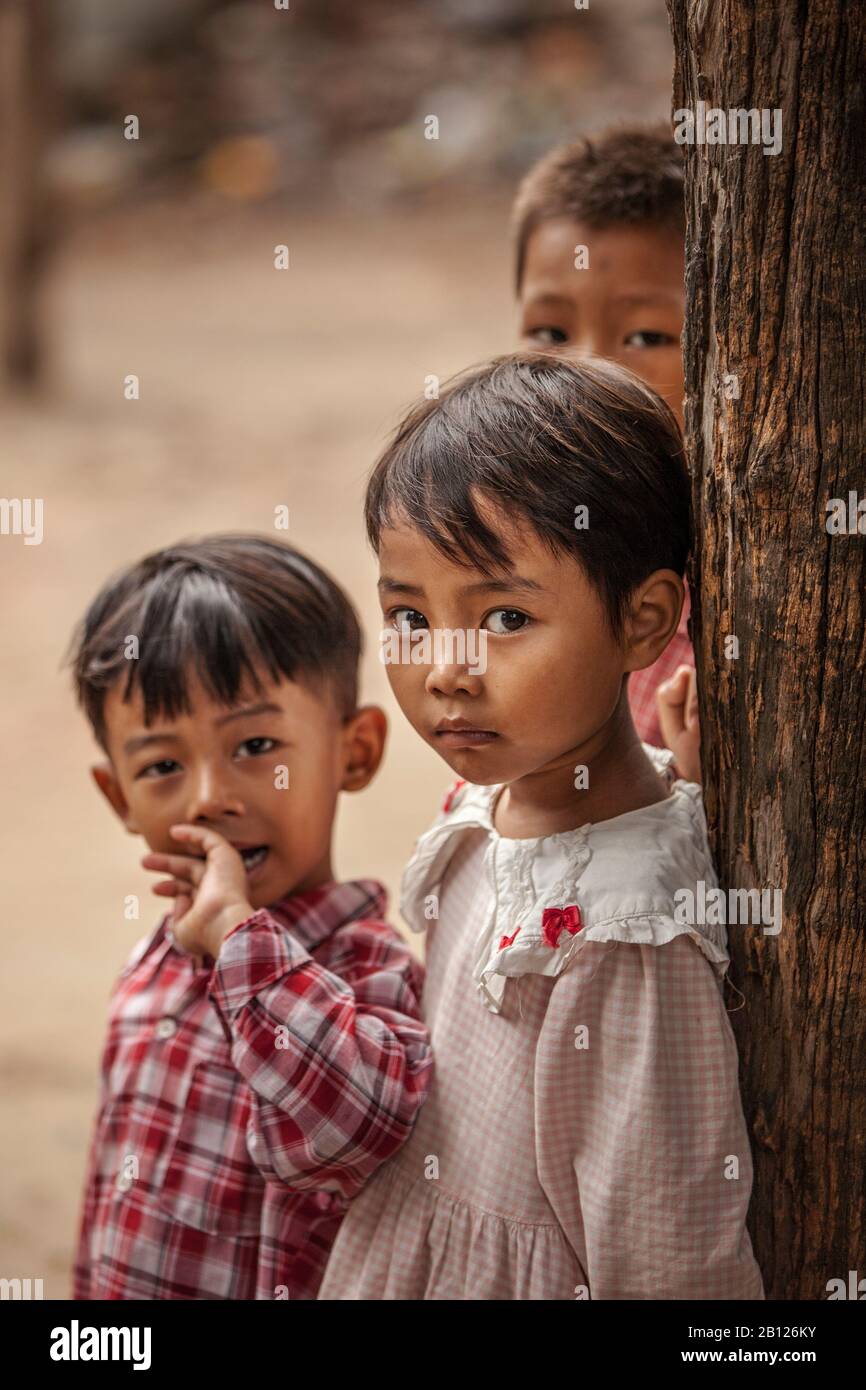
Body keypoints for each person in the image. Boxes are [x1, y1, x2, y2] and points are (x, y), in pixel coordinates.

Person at [318, 354, 764, 1300]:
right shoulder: (492, 803)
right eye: (409, 615)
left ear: (644, 622)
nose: (445, 669)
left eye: (506, 615)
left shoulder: (621, 929)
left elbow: (668, 1257)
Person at [69, 534, 433, 1299]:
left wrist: (240, 936)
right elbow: (109, 1207)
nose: (208, 796)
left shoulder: (365, 968)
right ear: (119, 800)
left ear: (355, 751)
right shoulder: (151, 965)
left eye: (255, 745)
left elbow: (355, 1127)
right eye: (162, 766)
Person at [513, 124, 699, 777]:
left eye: (646, 335)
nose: (587, 371)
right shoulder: (517, 541)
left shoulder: (733, 598)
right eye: (550, 331)